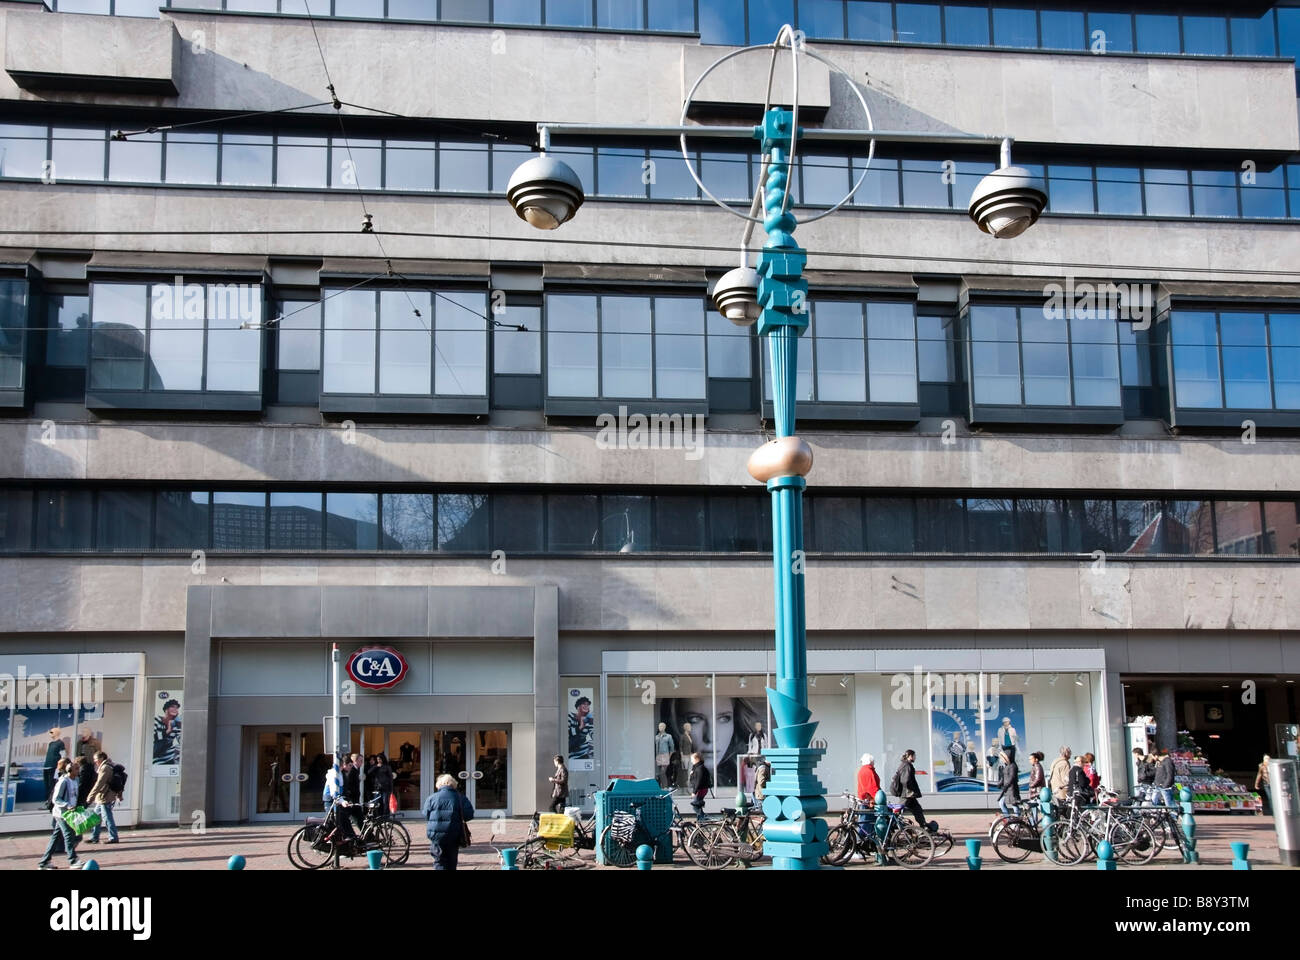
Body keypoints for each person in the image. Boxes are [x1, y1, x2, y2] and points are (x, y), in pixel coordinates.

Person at [422, 773, 474, 870]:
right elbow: (469, 814)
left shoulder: (432, 798)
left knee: (439, 861)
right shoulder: (460, 797)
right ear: (453, 784)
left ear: (439, 784)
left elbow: (425, 814)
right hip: (454, 834)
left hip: (436, 835)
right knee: (452, 861)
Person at [37, 759, 81, 869]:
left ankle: (44, 862)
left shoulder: (76, 780)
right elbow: (56, 799)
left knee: (56, 837)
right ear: (69, 770)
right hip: (61, 813)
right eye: (76, 768)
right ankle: (73, 860)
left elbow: (74, 796)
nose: (78, 770)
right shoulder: (64, 781)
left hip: (69, 813)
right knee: (68, 835)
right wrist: (67, 805)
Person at [86, 751, 120, 845]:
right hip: (103, 796)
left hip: (105, 796)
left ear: (101, 758)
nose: (95, 761)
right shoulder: (109, 765)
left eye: (96, 759)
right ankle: (94, 837)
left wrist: (90, 797)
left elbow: (99, 784)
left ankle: (113, 837)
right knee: (96, 816)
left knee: (107, 817)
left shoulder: (105, 768)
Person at [890, 749, 928, 833]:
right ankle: (889, 828)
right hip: (906, 794)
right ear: (910, 756)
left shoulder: (906, 764)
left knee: (917, 809)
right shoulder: (906, 765)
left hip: (909, 794)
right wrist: (910, 790)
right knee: (897, 811)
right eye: (914, 756)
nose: (915, 757)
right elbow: (905, 780)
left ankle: (924, 826)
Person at [42, 728, 66, 812]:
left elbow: (63, 756)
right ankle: (47, 801)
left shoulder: (60, 743)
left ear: (56, 733)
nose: (50, 733)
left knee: (52, 785)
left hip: (53, 767)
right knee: (47, 785)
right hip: (47, 766)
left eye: (52, 732)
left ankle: (50, 803)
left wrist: (59, 768)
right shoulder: (51, 744)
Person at [997, 748, 1020, 816]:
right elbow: (1004, 777)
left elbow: (1012, 778)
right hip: (1007, 790)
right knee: (1002, 803)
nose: (1003, 760)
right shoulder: (1007, 766)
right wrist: (1000, 783)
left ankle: (1018, 821)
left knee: (1014, 805)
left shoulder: (1013, 766)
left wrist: (1006, 785)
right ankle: (1007, 818)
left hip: (1012, 790)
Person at [688, 752, 711, 816]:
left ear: (696, 759)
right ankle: (700, 820)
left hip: (700, 790)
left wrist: (694, 792)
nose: (691, 761)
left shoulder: (700, 768)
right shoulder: (697, 768)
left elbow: (698, 781)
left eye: (692, 759)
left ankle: (703, 817)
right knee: (698, 806)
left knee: (695, 807)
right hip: (701, 789)